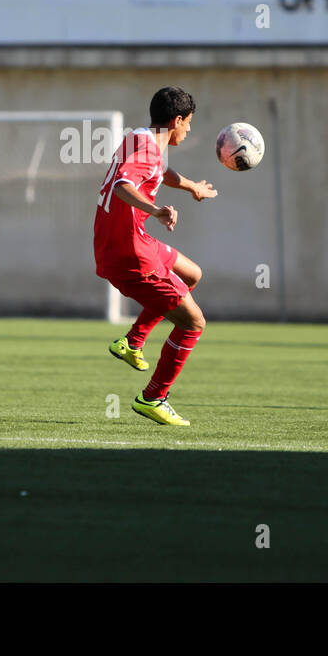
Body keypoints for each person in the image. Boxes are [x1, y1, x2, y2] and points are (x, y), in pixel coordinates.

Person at [94, 86, 217, 427]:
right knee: (194, 323)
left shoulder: (141, 138)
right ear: (177, 120)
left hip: (127, 241)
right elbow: (122, 184)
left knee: (192, 275)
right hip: (130, 253)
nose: (189, 130)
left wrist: (192, 186)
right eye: (188, 123)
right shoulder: (147, 150)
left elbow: (159, 171)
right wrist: (157, 209)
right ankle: (153, 398)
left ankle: (132, 342)